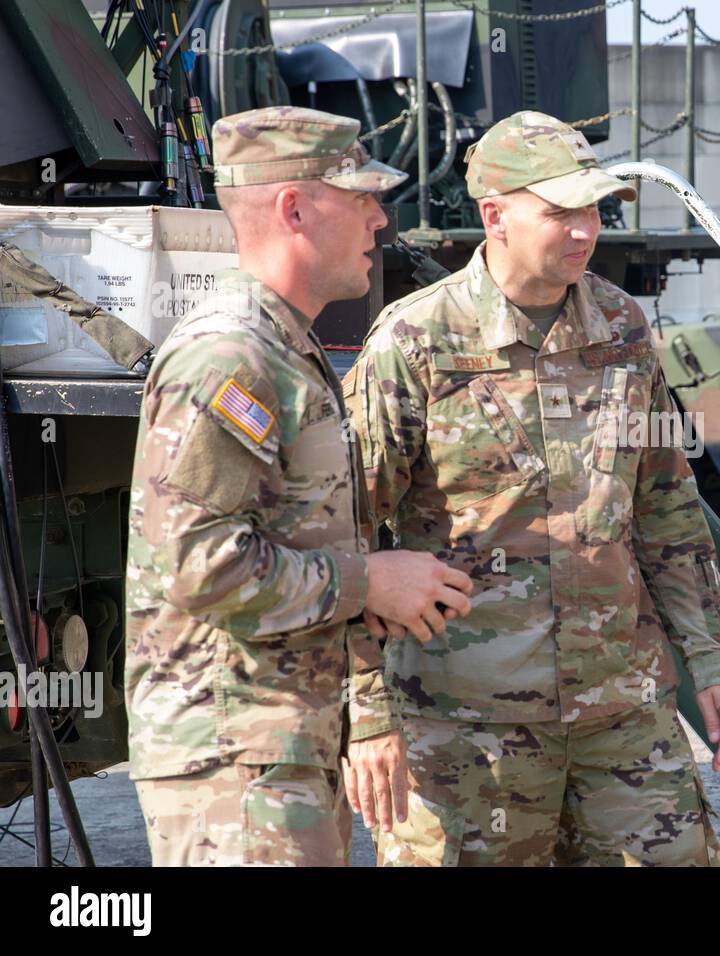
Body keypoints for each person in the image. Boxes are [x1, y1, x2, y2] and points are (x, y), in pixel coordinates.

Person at [345, 111, 720, 866]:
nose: (585, 230)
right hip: (467, 728)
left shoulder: (621, 324)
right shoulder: (416, 342)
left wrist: (712, 661)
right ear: (494, 216)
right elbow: (345, 533)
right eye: (560, 211)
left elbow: (665, 506)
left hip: (620, 709)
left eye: (593, 209)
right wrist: (366, 717)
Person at [126, 106, 472, 866]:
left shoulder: (283, 349)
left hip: (278, 749)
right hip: (234, 763)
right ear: (294, 208)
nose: (381, 220)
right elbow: (198, 565)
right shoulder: (230, 357)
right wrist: (370, 581)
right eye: (361, 197)